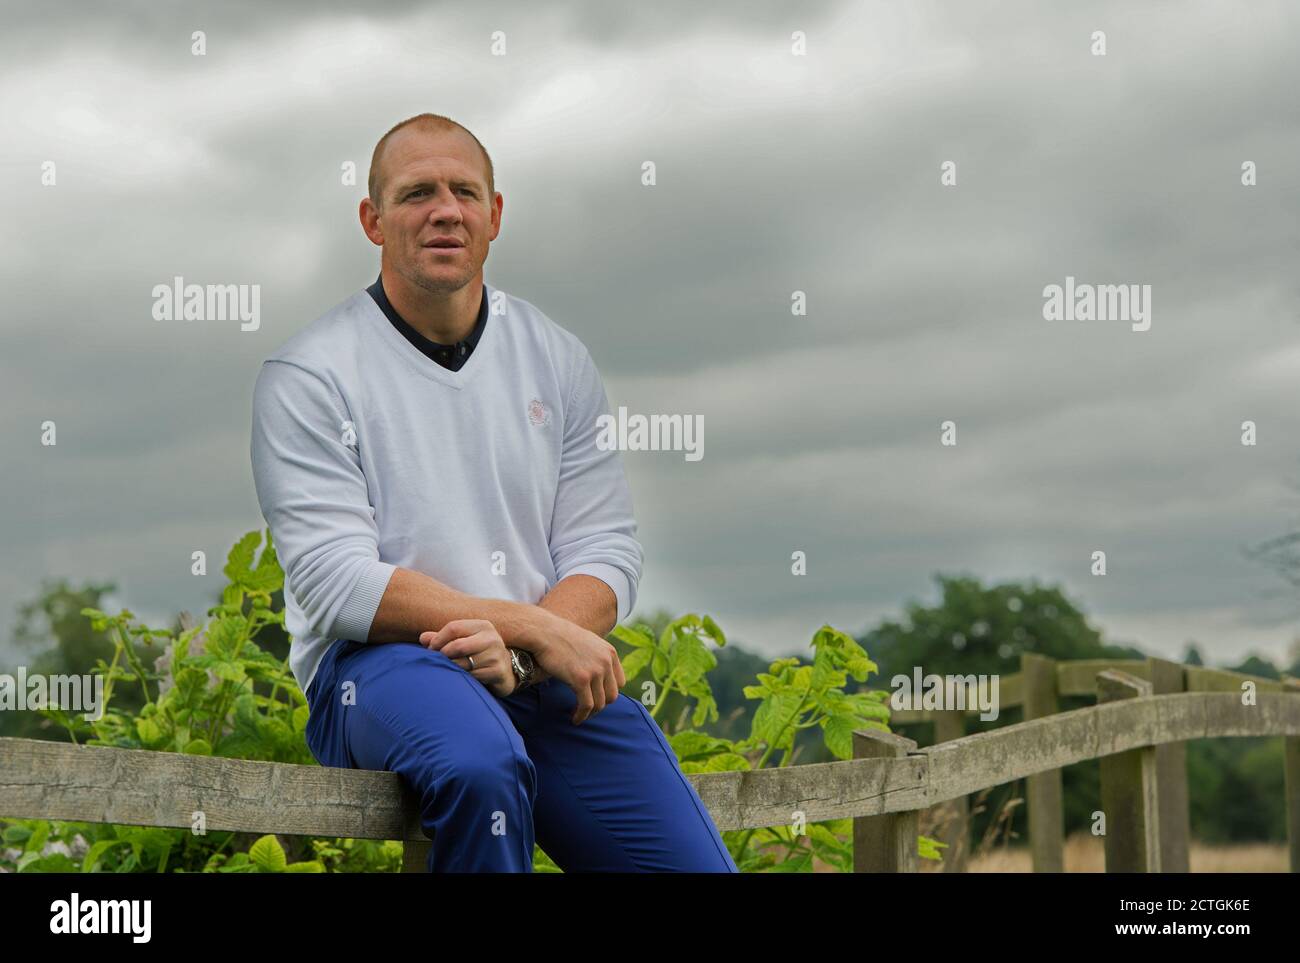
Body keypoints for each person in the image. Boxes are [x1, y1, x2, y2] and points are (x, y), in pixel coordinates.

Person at [249, 112, 737, 873]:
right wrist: (528, 630)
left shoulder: (556, 358)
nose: (444, 209)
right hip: (378, 669)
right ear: (372, 221)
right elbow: (336, 583)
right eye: (416, 193)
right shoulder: (311, 374)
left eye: (463, 191)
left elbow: (605, 549)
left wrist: (529, 649)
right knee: (478, 765)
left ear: (494, 215)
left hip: (536, 676)